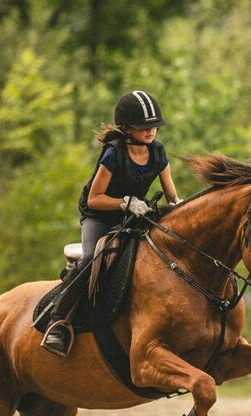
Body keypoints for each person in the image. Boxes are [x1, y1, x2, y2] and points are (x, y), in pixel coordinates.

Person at [41, 90, 181, 355]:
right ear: (127, 128)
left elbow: (172, 194)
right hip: (100, 216)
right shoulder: (113, 154)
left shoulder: (158, 151)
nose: (151, 130)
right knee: (91, 258)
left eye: (154, 126)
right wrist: (125, 203)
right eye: (143, 126)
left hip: (135, 215)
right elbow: (94, 199)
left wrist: (179, 206)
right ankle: (57, 321)